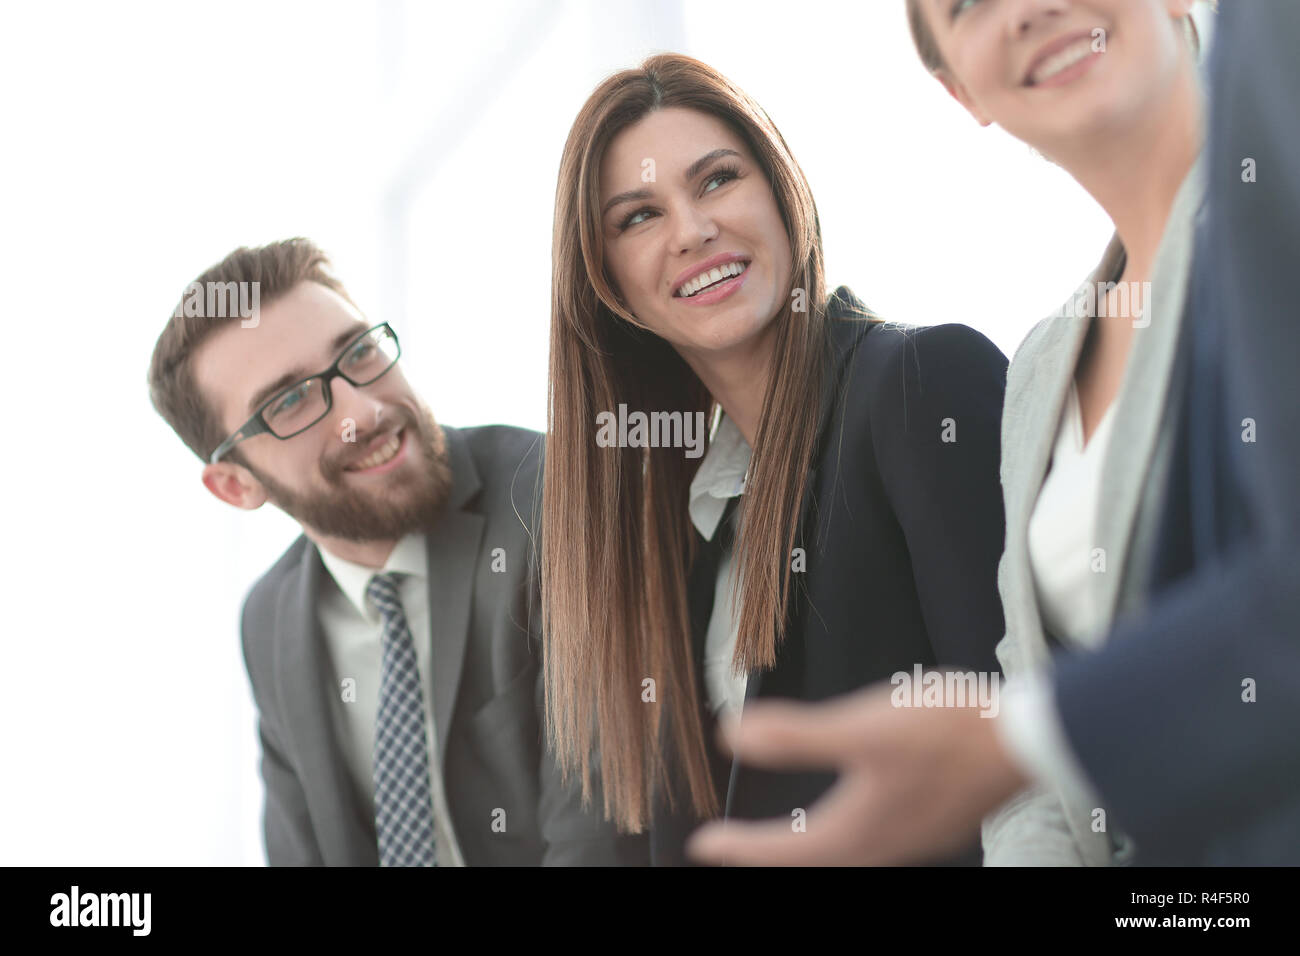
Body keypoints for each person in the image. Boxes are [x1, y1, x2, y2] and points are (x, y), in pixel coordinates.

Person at [687, 0, 1300, 867]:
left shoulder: (1277, 190)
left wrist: (1022, 738)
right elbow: (1030, 759)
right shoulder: (1041, 371)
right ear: (960, 90)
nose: (1028, 8)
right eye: (968, 5)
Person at [542, 53, 1009, 865]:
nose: (692, 231)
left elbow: (1023, 746)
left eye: (718, 179)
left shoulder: (921, 385)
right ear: (608, 281)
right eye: (639, 217)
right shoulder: (679, 528)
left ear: (782, 190)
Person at [148, 238, 646, 866]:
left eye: (359, 352)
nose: (363, 409)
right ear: (236, 484)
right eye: (290, 402)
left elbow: (603, 843)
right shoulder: (270, 619)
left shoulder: (562, 502)